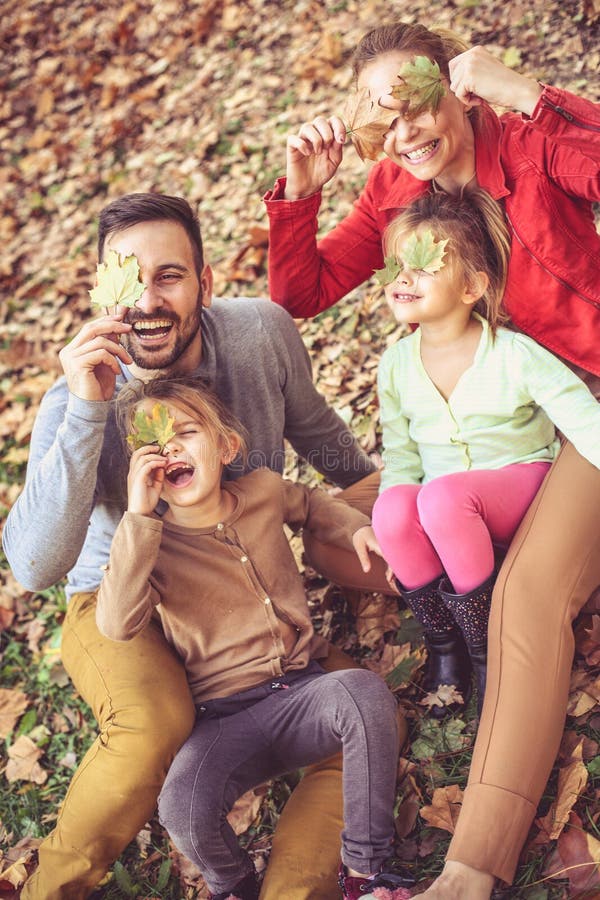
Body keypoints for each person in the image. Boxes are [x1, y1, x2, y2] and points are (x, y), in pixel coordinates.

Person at [264, 21, 600, 899]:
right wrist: (297, 197)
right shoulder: (390, 189)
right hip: (487, 438)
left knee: (526, 603)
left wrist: (531, 94)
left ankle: (473, 863)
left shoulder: (526, 139)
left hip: (578, 406)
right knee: (347, 540)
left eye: (419, 99)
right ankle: (503, 572)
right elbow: (300, 294)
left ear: (458, 88)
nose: (407, 127)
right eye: (385, 111)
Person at [2, 192, 389, 900]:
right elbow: (32, 566)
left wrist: (384, 503)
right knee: (154, 722)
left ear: (205, 283)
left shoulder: (259, 333)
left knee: (356, 718)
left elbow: (321, 436)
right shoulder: (78, 397)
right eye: (127, 280)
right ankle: (47, 890)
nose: (147, 300)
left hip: (237, 587)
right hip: (126, 595)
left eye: (169, 276)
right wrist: (89, 409)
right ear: (101, 291)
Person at [94, 374, 411, 900]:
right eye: (151, 443)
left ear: (227, 445)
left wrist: (353, 526)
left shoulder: (262, 491)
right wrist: (136, 516)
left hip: (302, 693)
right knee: (181, 804)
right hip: (224, 719)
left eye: (186, 431)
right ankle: (233, 883)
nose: (168, 447)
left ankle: (365, 870)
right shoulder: (149, 545)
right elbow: (116, 623)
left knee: (363, 693)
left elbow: (309, 504)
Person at [371, 189, 600, 722]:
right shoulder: (397, 366)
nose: (404, 278)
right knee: (395, 509)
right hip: (444, 507)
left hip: (516, 485)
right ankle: (448, 648)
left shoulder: (511, 353)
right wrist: (389, 511)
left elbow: (581, 416)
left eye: (425, 266)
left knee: (445, 498)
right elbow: (402, 458)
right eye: (398, 266)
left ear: (472, 286)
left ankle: (487, 649)